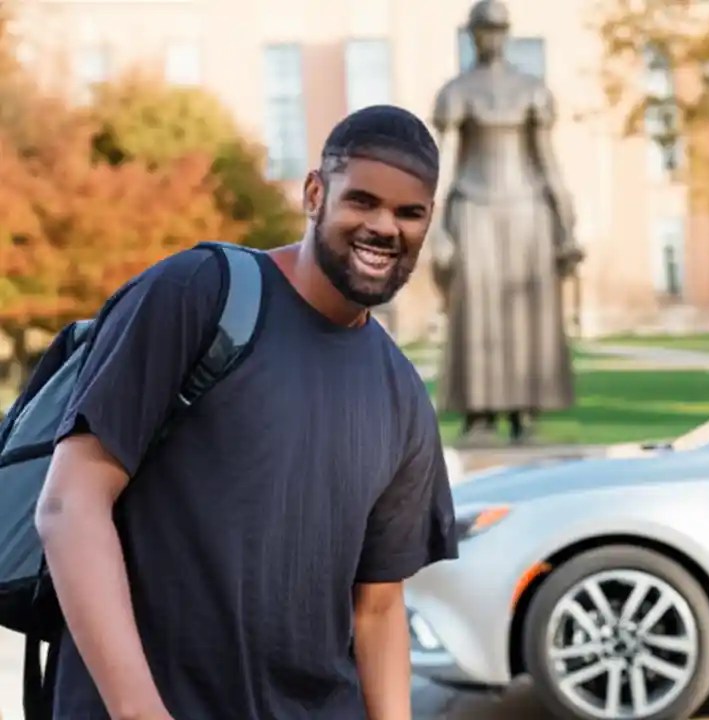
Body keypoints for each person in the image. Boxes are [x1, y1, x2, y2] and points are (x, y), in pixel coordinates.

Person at [33, 105, 458, 719]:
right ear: (315, 193)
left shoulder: (402, 395)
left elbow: (379, 608)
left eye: (407, 212)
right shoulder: (201, 294)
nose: (383, 227)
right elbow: (70, 505)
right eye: (362, 201)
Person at [430, 0, 584, 445]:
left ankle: (523, 410)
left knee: (527, 313)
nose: (491, 37)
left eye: (498, 29)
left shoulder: (531, 90)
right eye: (483, 29)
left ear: (507, 33)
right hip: (473, 208)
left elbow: (548, 162)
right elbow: (441, 163)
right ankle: (478, 414)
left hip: (527, 208)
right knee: (475, 310)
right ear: (472, 34)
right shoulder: (457, 91)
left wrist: (566, 225)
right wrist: (436, 226)